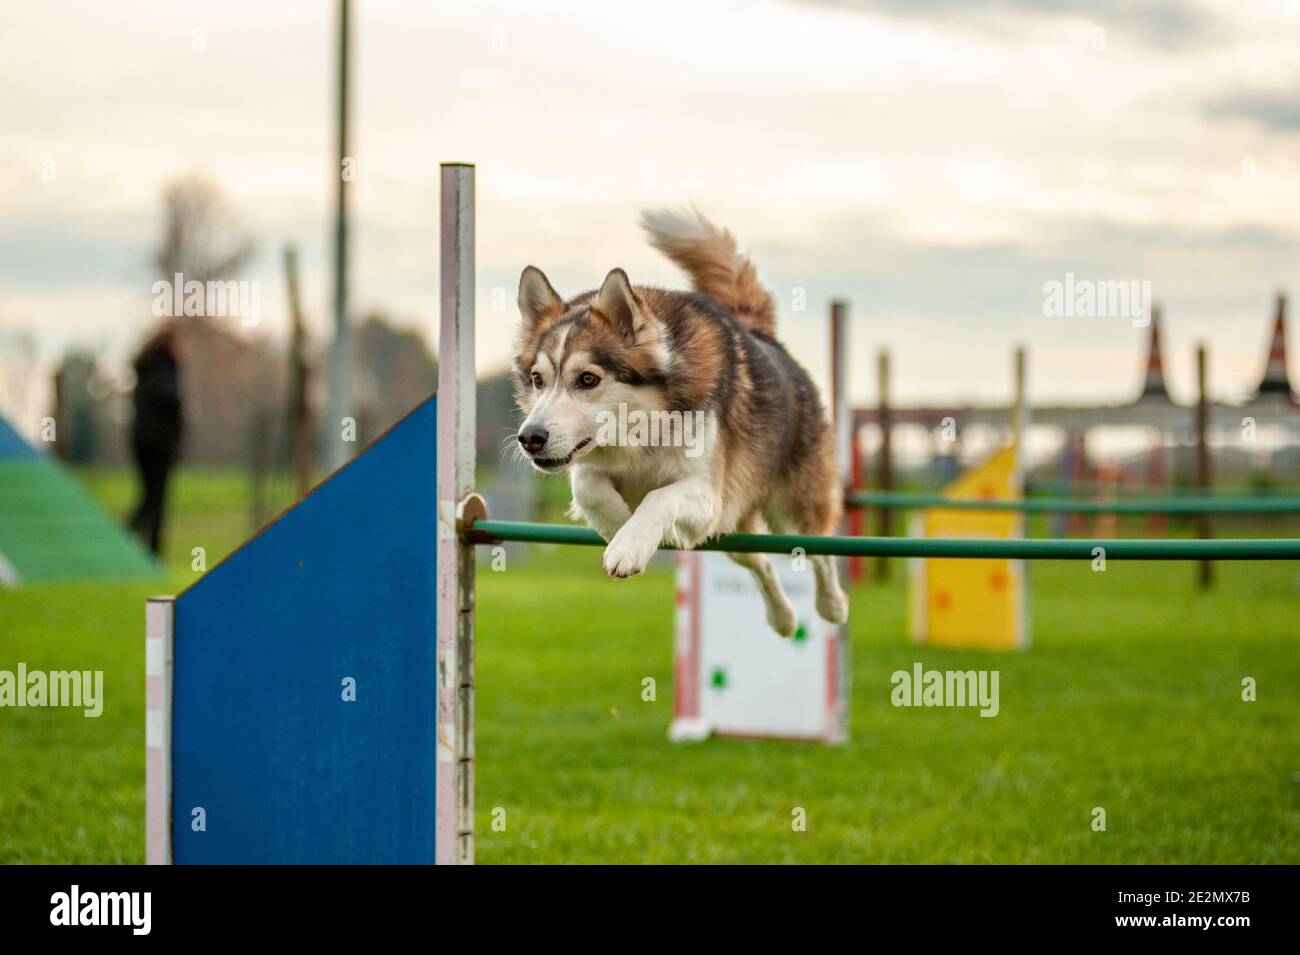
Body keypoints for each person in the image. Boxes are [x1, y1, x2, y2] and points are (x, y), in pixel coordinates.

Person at [129, 325, 184, 555]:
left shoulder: (143, 367)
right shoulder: (165, 367)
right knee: (157, 498)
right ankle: (153, 549)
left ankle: (128, 537)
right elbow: (169, 399)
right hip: (160, 443)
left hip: (140, 440)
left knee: (148, 496)